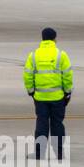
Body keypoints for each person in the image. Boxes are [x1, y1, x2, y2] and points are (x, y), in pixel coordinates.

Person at [23, 27, 73, 159]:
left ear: (42, 38)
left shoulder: (33, 55)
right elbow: (67, 76)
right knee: (57, 124)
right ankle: (59, 153)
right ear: (55, 39)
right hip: (58, 97)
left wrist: (31, 91)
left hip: (40, 97)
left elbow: (27, 75)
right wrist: (67, 93)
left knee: (41, 124)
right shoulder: (61, 55)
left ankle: (39, 154)